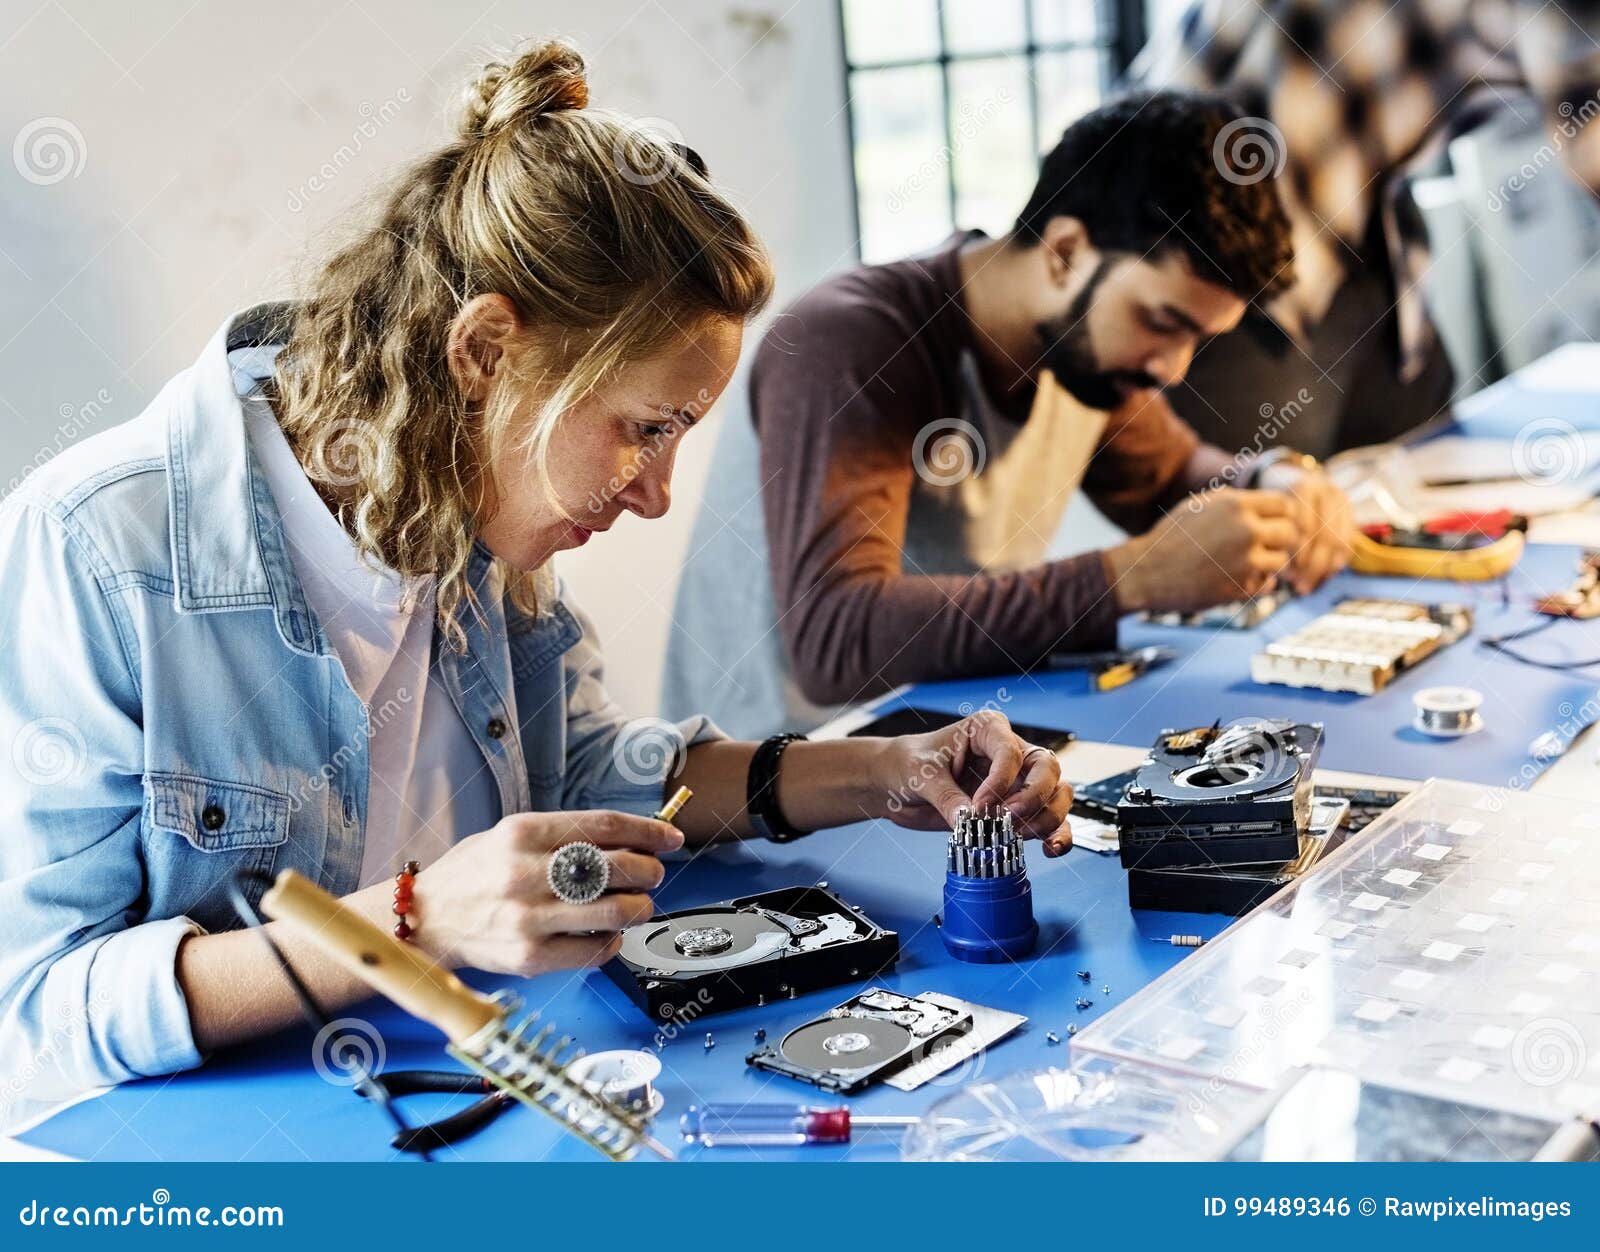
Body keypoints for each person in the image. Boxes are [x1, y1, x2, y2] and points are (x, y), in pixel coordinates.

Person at [0, 40, 1074, 1124]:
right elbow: (42, 1001)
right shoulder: (94, 546)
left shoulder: (462, 499)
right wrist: (414, 919)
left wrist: (886, 769)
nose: (655, 494)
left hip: (464, 1091)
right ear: (484, 352)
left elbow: (590, 772)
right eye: (643, 430)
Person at [664, 91, 1354, 740]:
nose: (1171, 369)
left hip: (938, 748)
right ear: (1064, 251)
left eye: (1197, 341)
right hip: (773, 794)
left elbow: (1171, 476)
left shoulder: (1084, 354)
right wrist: (1126, 579)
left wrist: (1275, 479)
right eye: (1161, 322)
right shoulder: (854, 340)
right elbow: (834, 641)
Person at [1131, 0, 1600, 457]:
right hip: (1223, 225)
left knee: (1413, 479)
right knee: (1262, 515)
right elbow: (1592, 151)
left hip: (1345, 198)